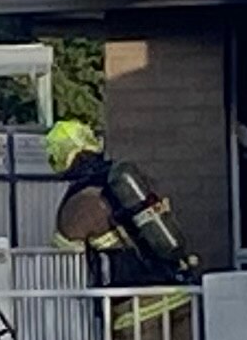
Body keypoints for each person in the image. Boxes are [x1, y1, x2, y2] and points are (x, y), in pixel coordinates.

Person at [44, 118, 200, 289]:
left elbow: (63, 253)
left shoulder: (80, 202)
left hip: (130, 298)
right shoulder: (127, 181)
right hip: (175, 287)